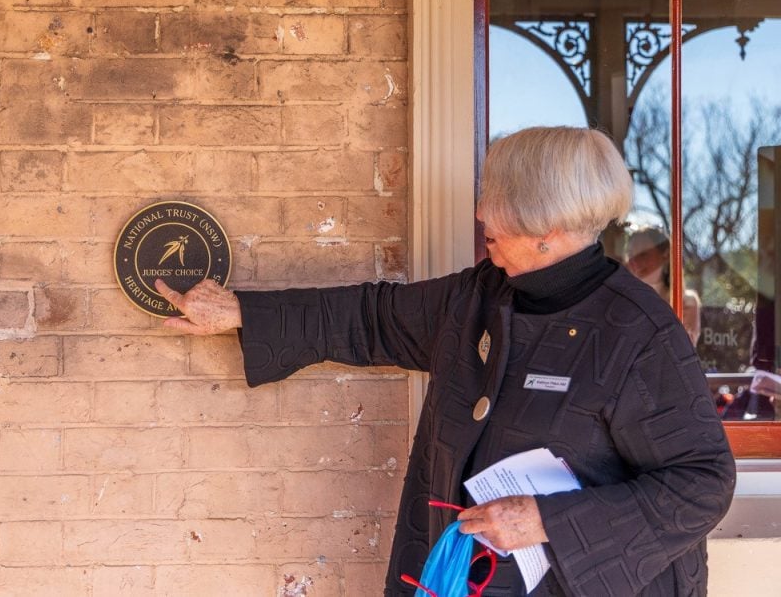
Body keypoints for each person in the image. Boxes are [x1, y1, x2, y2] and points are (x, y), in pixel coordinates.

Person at [155, 126, 735, 596]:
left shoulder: (639, 333)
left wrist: (547, 521)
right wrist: (239, 312)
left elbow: (702, 486)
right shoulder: (481, 295)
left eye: (499, 205)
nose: (482, 214)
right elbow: (371, 317)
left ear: (549, 230)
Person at [624, 225, 702, 346]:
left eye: (643, 254)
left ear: (665, 254)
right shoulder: (624, 299)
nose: (635, 261)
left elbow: (682, 349)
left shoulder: (686, 301)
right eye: (630, 255)